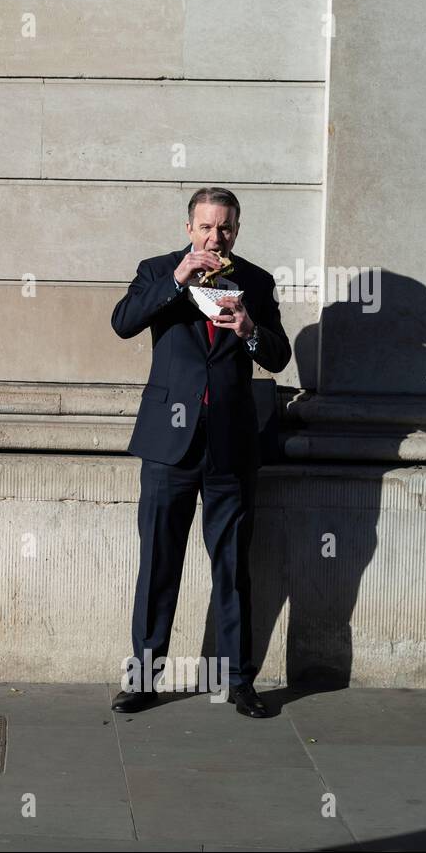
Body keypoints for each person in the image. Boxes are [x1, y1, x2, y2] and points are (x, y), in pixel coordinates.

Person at [109, 188, 292, 718]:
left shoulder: (256, 282)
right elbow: (123, 322)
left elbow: (279, 357)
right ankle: (144, 680)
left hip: (230, 446)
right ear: (190, 228)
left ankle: (238, 682)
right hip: (169, 444)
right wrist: (175, 282)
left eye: (226, 229)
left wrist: (251, 330)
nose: (216, 238)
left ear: (237, 229)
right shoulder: (158, 270)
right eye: (207, 228)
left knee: (233, 567)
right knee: (159, 564)